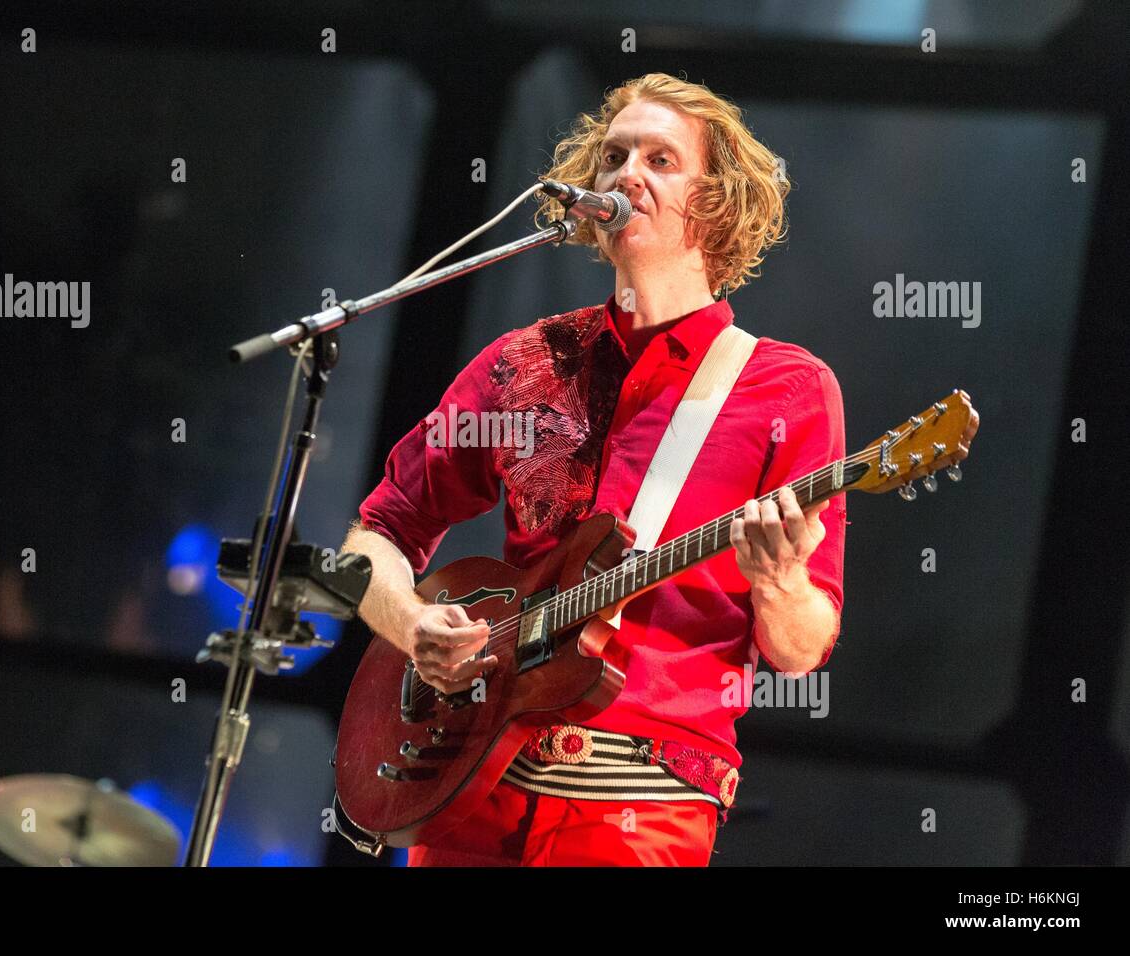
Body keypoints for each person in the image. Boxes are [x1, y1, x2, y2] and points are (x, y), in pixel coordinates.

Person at [343, 73, 963, 866]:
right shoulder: (523, 363)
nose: (625, 174)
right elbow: (378, 534)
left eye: (660, 159)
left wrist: (778, 582)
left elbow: (800, 650)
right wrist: (411, 624)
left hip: (643, 802)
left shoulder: (788, 389)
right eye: (613, 157)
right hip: (475, 782)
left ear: (717, 202)